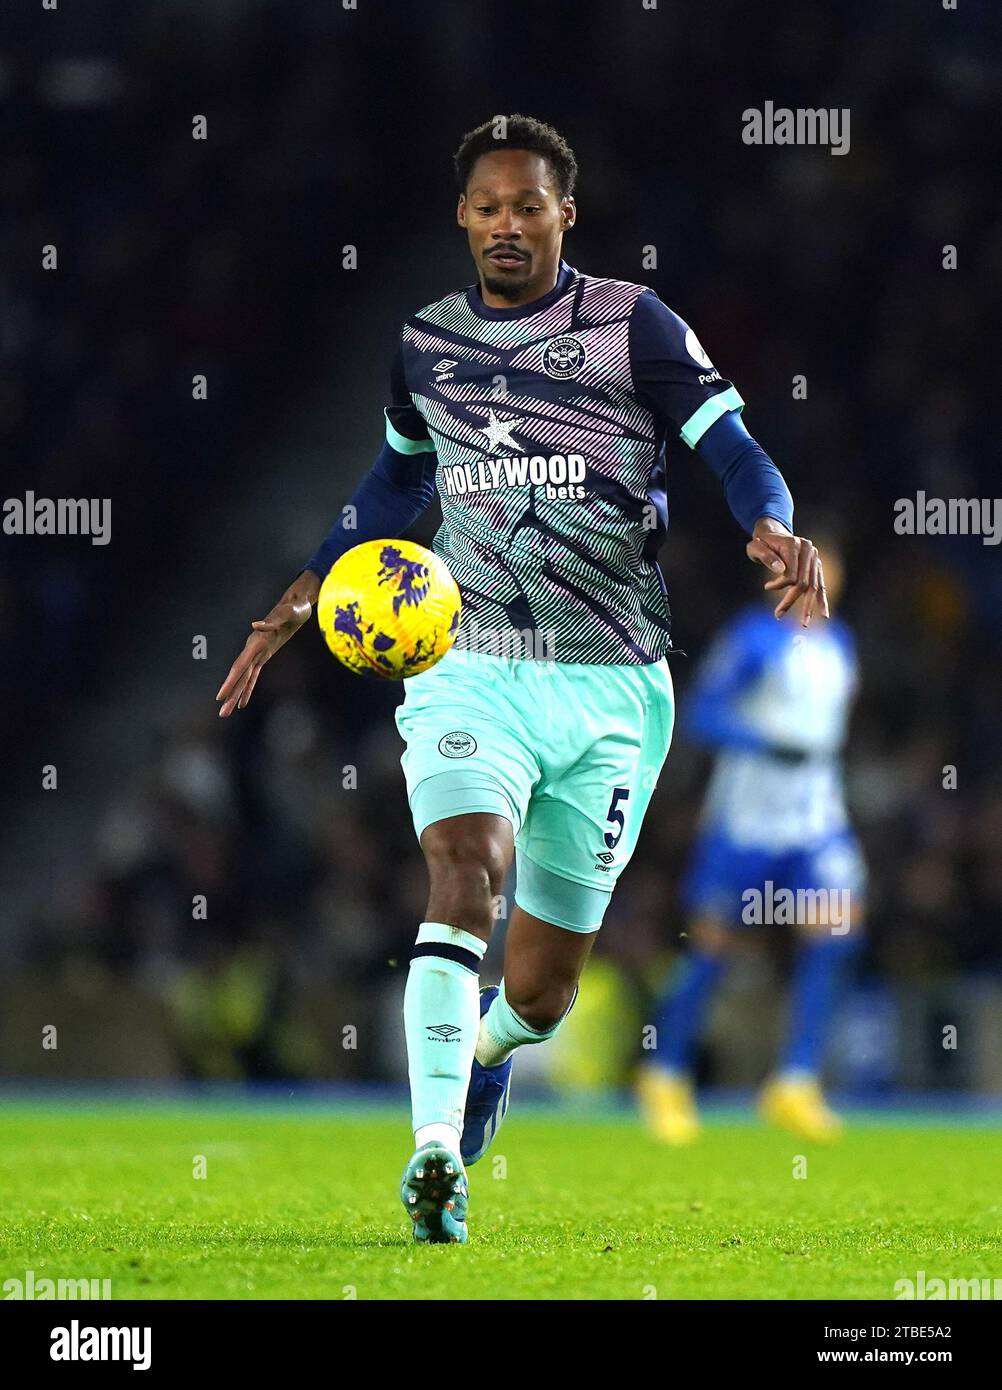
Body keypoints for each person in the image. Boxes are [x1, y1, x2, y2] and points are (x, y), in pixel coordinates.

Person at [216, 114, 827, 1243]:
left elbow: (736, 450)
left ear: (564, 214)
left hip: (612, 690)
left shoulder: (631, 325)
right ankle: (435, 1154)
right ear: (463, 216)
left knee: (542, 994)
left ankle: (491, 1054)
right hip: (474, 668)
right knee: (463, 872)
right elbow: (394, 484)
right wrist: (297, 599)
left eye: (528, 205)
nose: (507, 223)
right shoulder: (426, 344)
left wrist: (775, 527)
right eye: (487, 206)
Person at [637, 537, 863, 1144]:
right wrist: (764, 743)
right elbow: (702, 711)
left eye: (826, 565)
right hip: (746, 819)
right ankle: (664, 1074)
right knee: (710, 948)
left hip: (815, 821)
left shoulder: (839, 644)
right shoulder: (755, 638)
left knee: (837, 934)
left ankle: (795, 1080)